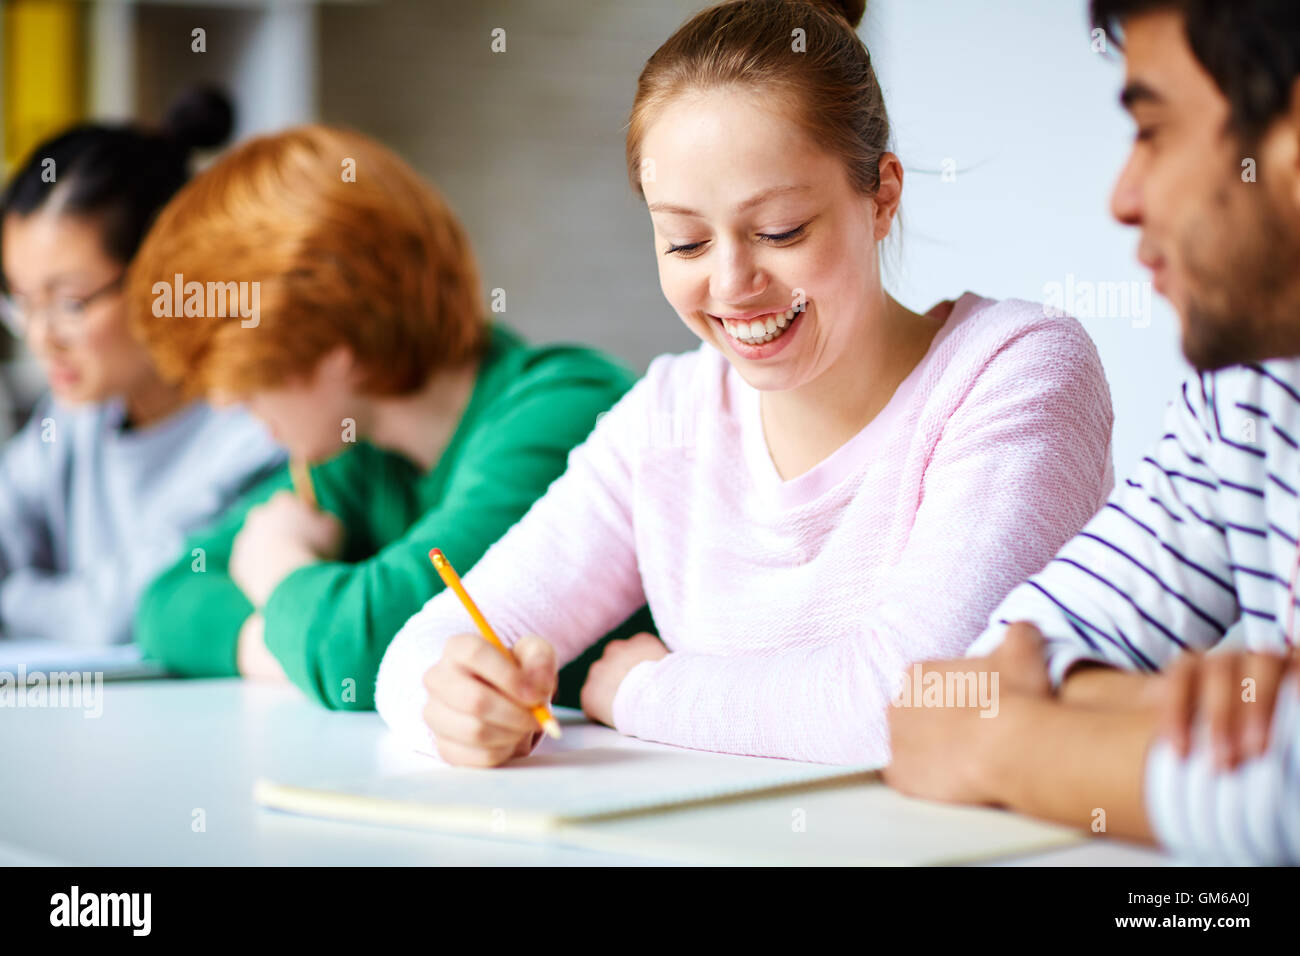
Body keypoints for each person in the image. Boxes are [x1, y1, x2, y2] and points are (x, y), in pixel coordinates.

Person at [373, 0, 1114, 767]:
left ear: (883, 196)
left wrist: (644, 692)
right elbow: (419, 652)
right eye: (685, 241)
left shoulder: (1016, 372)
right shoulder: (668, 417)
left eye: (780, 230)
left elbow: (923, 698)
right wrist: (460, 700)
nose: (731, 284)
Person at [885, 0, 1300, 865]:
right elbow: (967, 677)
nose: (1123, 198)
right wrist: (1187, 712)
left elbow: (1281, 803)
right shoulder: (1251, 392)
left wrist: (1004, 746)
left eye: (1152, 131)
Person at [130, 124, 649, 710]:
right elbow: (165, 599)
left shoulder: (565, 413)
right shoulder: (356, 454)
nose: (224, 399)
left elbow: (372, 649)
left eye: (243, 370)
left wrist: (278, 570)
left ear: (336, 341)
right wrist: (287, 642)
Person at [0, 87, 283, 647]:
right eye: (22, 302)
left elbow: (119, 615)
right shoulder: (75, 415)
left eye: (70, 303)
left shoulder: (258, 432)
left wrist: (13, 599)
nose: (40, 338)